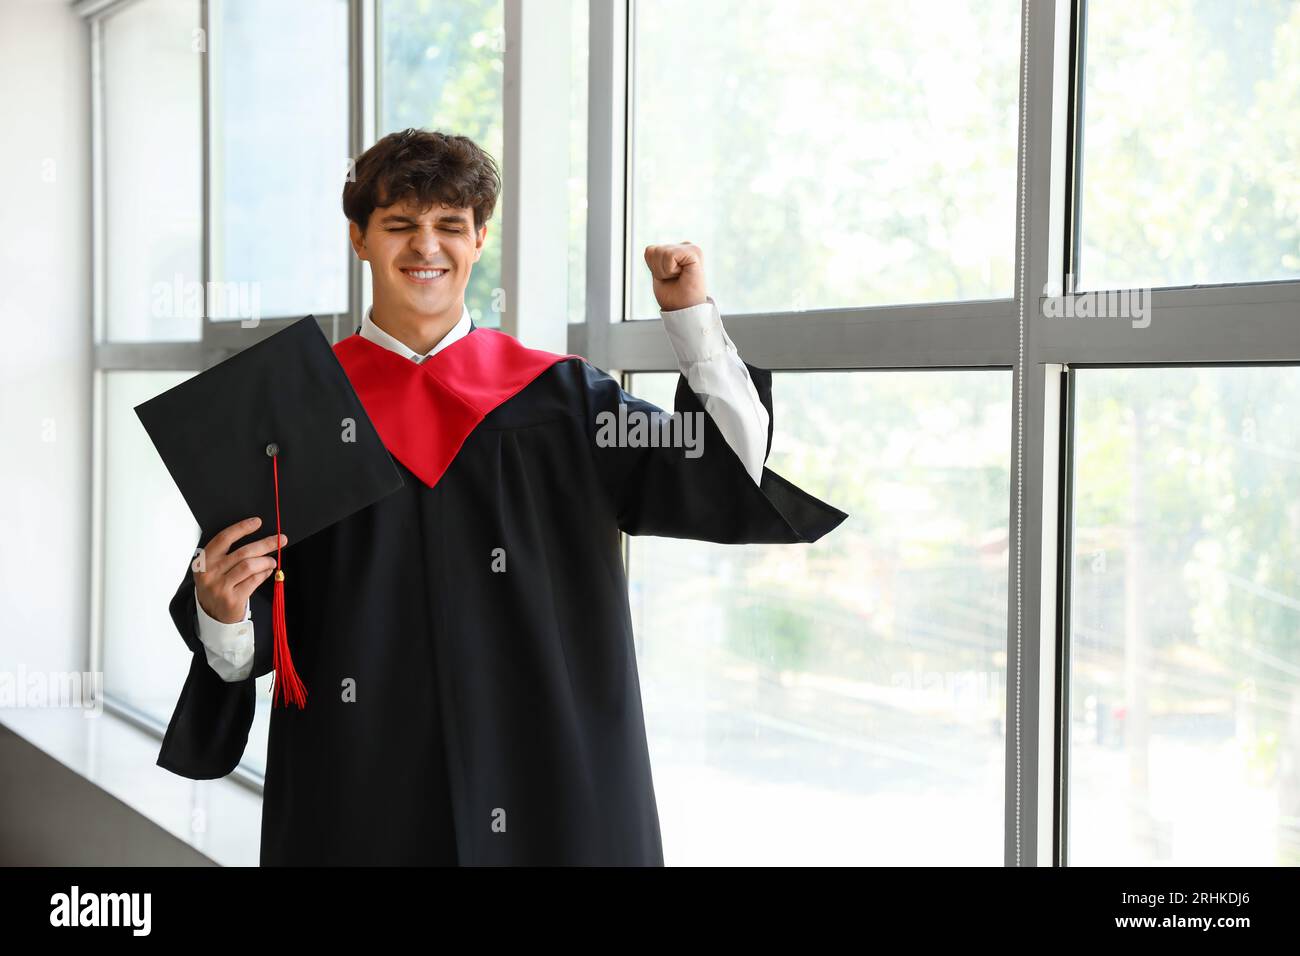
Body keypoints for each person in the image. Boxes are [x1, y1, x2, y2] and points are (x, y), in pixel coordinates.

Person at [157, 128, 846, 865]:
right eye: (400, 225)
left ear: (479, 239)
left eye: (450, 226)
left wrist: (690, 319)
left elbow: (723, 474)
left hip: (549, 781)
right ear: (359, 238)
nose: (427, 247)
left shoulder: (565, 404)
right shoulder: (294, 414)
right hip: (358, 790)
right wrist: (221, 610)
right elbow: (246, 640)